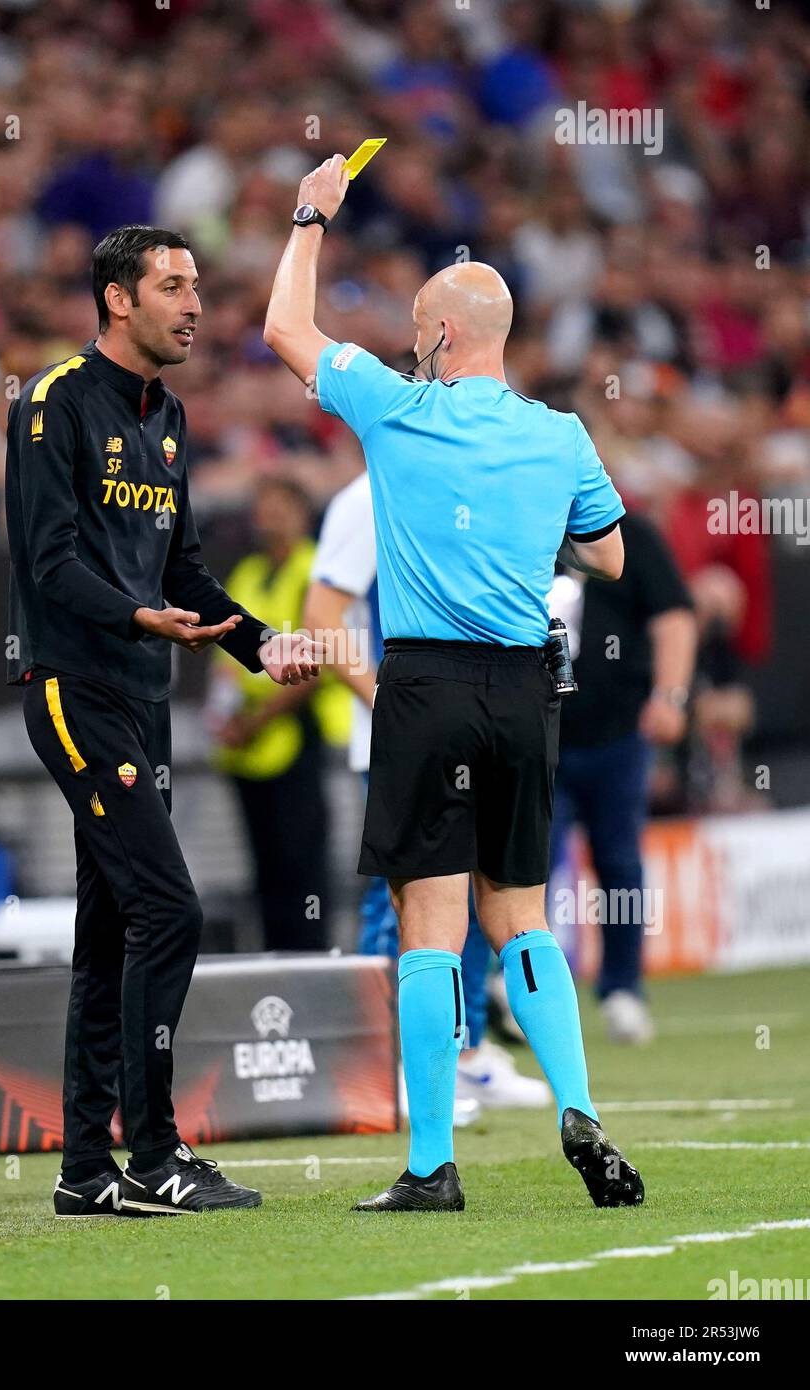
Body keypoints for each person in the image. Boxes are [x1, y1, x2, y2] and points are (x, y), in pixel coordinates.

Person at [264, 155, 643, 1213]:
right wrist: (534, 550)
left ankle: (432, 1163)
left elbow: (286, 332)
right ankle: (579, 1104)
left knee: (429, 924)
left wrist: (309, 217)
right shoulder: (559, 432)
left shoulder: (397, 408)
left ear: (439, 336)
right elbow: (610, 555)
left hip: (425, 682)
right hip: (527, 687)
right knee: (519, 912)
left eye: (417, 329)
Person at [5, 224, 321, 1218]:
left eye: (196, 287)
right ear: (117, 300)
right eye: (174, 287)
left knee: (109, 930)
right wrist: (132, 614)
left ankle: (83, 1171)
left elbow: (181, 568)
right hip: (73, 688)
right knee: (170, 910)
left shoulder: (169, 415)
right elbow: (48, 562)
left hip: (145, 698)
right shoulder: (52, 403)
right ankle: (152, 1151)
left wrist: (259, 643)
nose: (195, 305)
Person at [305, 469, 550, 1112]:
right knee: (405, 907)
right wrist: (391, 706)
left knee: (475, 898)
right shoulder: (367, 496)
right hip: (398, 741)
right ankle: (385, 1067)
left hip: (464, 731)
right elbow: (323, 617)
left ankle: (461, 1053)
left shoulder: (446, 488)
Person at [549, 513, 696, 1043]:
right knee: (527, 865)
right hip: (538, 737)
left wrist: (670, 695)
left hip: (617, 733)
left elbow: (673, 616)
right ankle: (518, 991)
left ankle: (622, 988)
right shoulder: (518, 521)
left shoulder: (630, 532)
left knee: (618, 862)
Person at [209, 477, 349, 951]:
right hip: (248, 749)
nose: (268, 516)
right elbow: (224, 651)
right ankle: (275, 958)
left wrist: (257, 719)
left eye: (280, 506)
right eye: (262, 506)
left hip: (294, 736)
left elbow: (319, 662)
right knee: (264, 864)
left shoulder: (315, 569)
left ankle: (309, 956)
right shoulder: (248, 571)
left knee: (302, 860)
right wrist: (225, 717)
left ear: (302, 514)